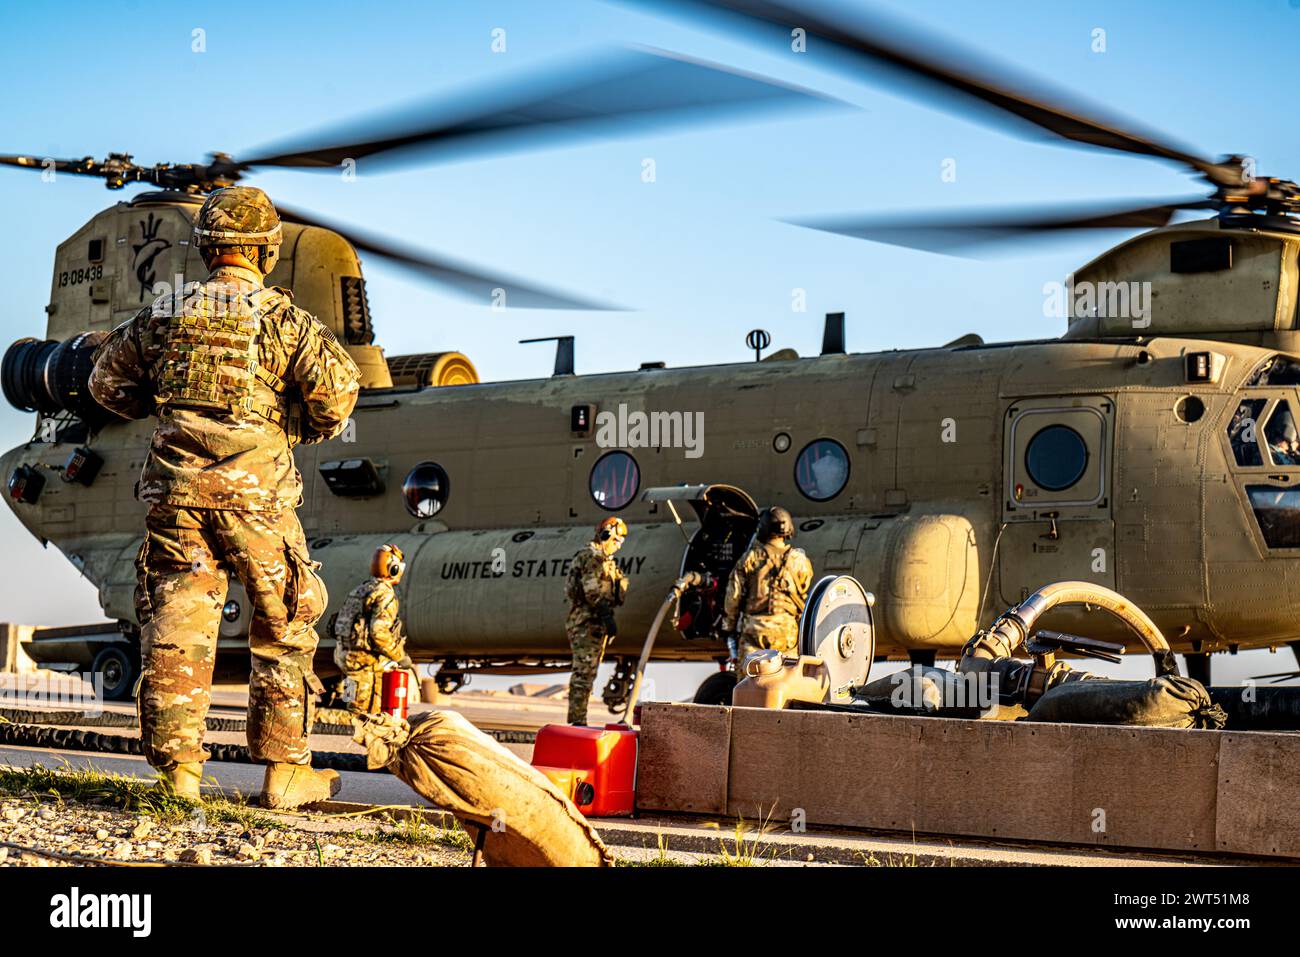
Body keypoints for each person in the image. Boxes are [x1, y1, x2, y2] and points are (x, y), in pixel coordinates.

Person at [88, 186, 361, 809]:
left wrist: (162, 408)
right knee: (284, 624)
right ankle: (285, 773)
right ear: (267, 250)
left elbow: (106, 383)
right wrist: (296, 423)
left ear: (207, 248)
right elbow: (335, 400)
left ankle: (180, 779)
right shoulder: (285, 320)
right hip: (256, 499)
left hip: (176, 497)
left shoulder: (164, 314)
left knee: (176, 627)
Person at [722, 506, 815, 675]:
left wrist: (728, 627)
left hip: (755, 634)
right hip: (788, 635)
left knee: (748, 686)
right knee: (785, 685)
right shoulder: (799, 561)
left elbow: (733, 598)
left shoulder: (749, 559)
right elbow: (804, 591)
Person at [564, 517, 629, 724]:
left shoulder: (603, 559)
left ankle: (578, 719)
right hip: (586, 623)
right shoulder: (592, 557)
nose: (617, 546)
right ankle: (577, 721)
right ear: (606, 534)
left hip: (593, 623)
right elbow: (592, 592)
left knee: (588, 674)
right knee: (583, 674)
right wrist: (607, 617)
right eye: (616, 540)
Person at [333, 544, 411, 714]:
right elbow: (378, 632)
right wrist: (400, 656)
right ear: (394, 569)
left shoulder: (361, 589)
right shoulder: (385, 594)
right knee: (365, 717)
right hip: (366, 665)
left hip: (347, 659)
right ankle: (318, 718)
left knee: (352, 707)